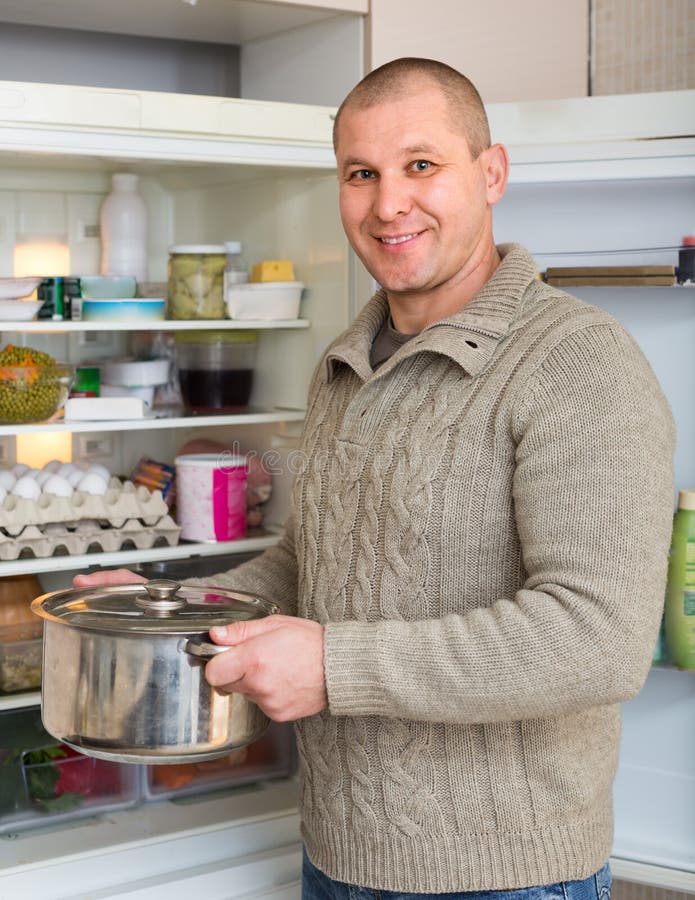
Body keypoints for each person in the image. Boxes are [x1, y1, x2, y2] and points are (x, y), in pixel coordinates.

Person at [75, 58, 675, 899]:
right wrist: (169, 602)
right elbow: (311, 564)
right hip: (337, 854)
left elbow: (597, 640)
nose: (388, 203)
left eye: (420, 165)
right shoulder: (347, 360)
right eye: (361, 173)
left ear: (491, 172)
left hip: (501, 880)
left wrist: (333, 668)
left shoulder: (576, 363)